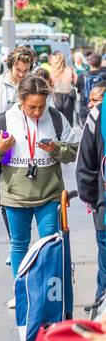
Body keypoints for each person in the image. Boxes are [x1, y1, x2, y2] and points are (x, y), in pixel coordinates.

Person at [0, 75, 77, 298]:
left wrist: (56, 149)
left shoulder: (55, 117)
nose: (36, 112)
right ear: (20, 100)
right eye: (31, 107)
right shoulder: (4, 119)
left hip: (49, 192)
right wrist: (0, 148)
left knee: (49, 244)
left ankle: (49, 294)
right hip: (15, 193)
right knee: (19, 244)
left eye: (41, 107)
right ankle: (21, 291)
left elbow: (72, 152)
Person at [76, 87, 106, 308]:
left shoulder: (98, 114)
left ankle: (101, 304)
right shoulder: (97, 114)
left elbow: (85, 162)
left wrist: (91, 198)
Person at [0, 45, 35, 146]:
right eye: (18, 70)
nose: (21, 74)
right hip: (2, 144)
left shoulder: (35, 87)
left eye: (25, 71)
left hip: (28, 146)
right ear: (10, 65)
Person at [47, 51, 78, 126]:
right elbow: (76, 82)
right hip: (69, 97)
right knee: (68, 122)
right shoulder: (70, 70)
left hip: (56, 97)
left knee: (56, 122)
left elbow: (49, 85)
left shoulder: (52, 72)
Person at [80, 53, 106, 124]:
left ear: (89, 62)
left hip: (85, 107)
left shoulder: (83, 75)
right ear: (100, 63)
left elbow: (78, 88)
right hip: (101, 108)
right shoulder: (104, 75)